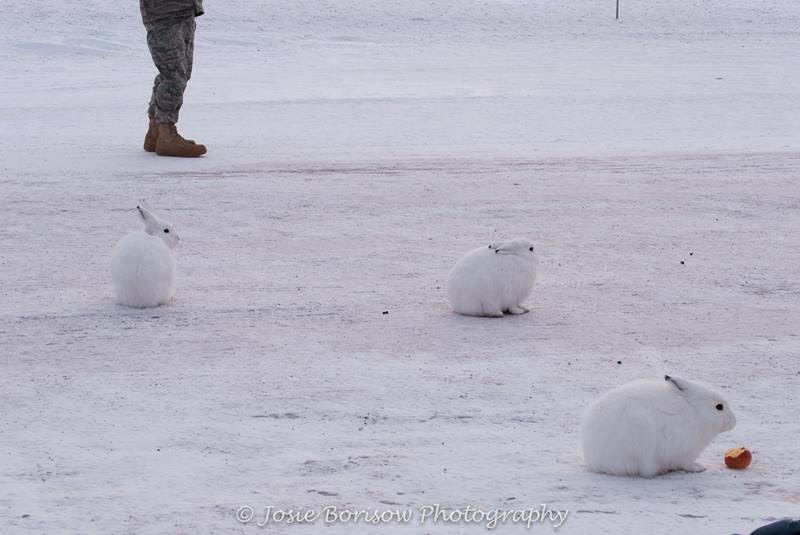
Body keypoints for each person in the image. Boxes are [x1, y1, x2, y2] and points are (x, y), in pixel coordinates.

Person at [140, 0, 207, 157]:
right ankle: (167, 135)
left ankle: (155, 131)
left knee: (179, 73)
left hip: (184, 10)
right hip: (164, 13)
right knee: (173, 75)